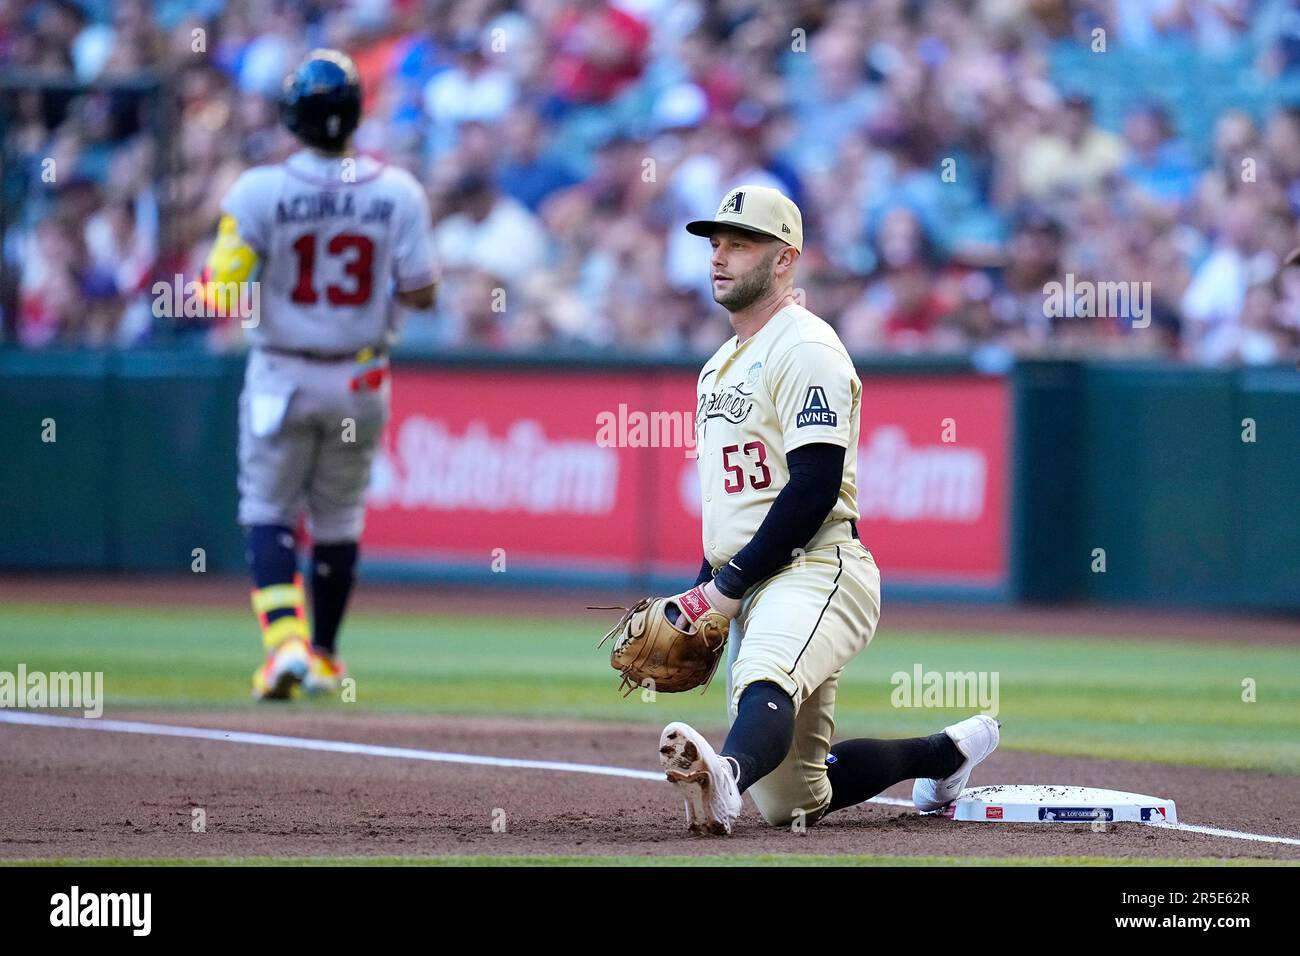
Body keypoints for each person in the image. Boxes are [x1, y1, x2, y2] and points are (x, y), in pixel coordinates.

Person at [657, 185, 999, 833]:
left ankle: (721, 780)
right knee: (792, 801)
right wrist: (704, 594)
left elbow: (815, 486)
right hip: (753, 577)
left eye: (741, 243)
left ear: (784, 260)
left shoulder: (806, 347)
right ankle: (946, 754)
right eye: (716, 243)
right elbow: (732, 505)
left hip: (817, 565)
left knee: (765, 673)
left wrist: (728, 587)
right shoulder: (715, 369)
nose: (720, 257)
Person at [203, 50, 437, 700]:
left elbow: (220, 291)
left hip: (283, 369)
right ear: (357, 114)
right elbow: (421, 292)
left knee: (268, 508)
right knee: (338, 517)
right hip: (360, 374)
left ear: (291, 118)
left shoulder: (258, 189)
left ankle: (284, 646)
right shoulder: (397, 191)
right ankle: (327, 657)